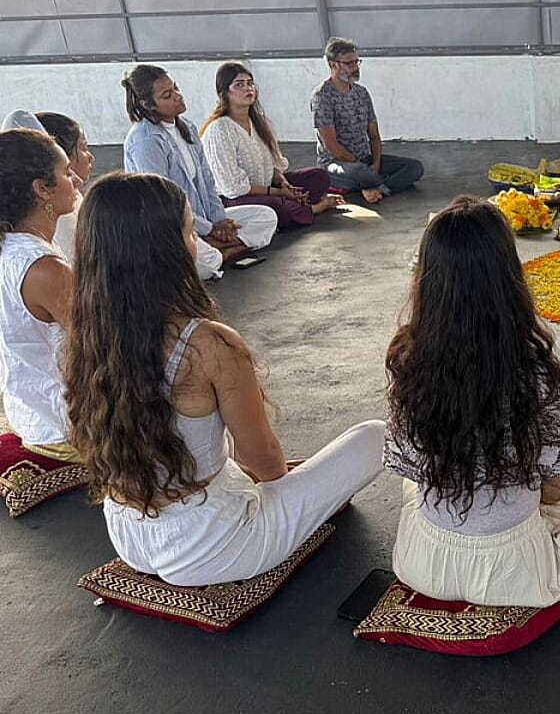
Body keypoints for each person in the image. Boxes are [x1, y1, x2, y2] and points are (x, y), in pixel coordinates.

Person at [63, 172, 385, 587]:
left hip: (129, 534)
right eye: (188, 230)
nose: (196, 239)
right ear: (169, 250)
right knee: (375, 437)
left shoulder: (85, 333)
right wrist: (302, 488)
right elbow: (266, 464)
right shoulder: (208, 343)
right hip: (214, 545)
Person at [385, 196, 560, 607]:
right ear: (510, 277)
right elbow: (557, 491)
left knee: (417, 485)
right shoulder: (543, 371)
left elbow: (416, 470)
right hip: (518, 575)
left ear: (426, 280)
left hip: (420, 563)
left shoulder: (406, 358)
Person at [121, 64, 278, 280]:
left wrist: (220, 220)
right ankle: (222, 251)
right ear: (148, 105)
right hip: (173, 226)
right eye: (168, 95)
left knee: (265, 217)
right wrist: (208, 229)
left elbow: (207, 179)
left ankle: (217, 251)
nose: (178, 96)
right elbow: (165, 202)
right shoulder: (145, 140)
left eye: (175, 88)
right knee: (204, 261)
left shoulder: (187, 127)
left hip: (204, 221)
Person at [0, 128, 79, 459]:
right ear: (42, 189)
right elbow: (103, 344)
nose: (74, 179)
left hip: (30, 410)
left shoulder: (17, 244)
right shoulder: (43, 268)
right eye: (65, 172)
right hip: (62, 422)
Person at [200, 61, 342, 229]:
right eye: (239, 85)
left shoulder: (261, 122)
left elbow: (274, 165)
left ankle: (294, 206)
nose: (248, 88)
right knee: (277, 206)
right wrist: (280, 193)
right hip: (236, 198)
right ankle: (314, 208)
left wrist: (285, 185)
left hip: (268, 188)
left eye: (250, 83)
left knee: (319, 176)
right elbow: (232, 187)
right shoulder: (220, 129)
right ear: (224, 93)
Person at [311, 37, 423, 205]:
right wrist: (361, 167)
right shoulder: (322, 96)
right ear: (333, 65)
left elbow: (374, 136)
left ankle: (376, 188)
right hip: (337, 164)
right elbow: (332, 147)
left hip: (366, 159)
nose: (355, 68)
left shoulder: (361, 93)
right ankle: (372, 183)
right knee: (360, 172)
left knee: (415, 168)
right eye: (350, 64)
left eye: (357, 62)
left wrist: (376, 162)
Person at [1, 110, 90, 260]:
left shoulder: (15, 243)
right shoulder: (47, 266)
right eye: (68, 173)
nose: (78, 181)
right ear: (42, 188)